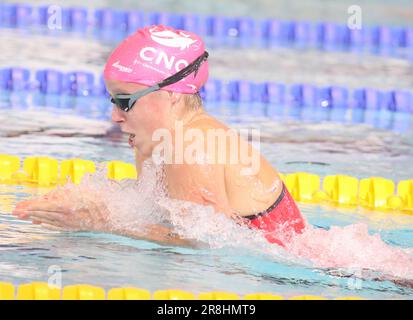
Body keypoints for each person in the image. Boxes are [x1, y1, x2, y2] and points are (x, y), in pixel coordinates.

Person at [13, 25, 305, 248]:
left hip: (300, 275)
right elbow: (159, 213)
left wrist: (97, 222)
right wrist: (82, 201)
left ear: (171, 95)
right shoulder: (153, 140)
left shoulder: (192, 145)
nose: (115, 115)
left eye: (125, 100)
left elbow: (207, 245)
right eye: (112, 100)